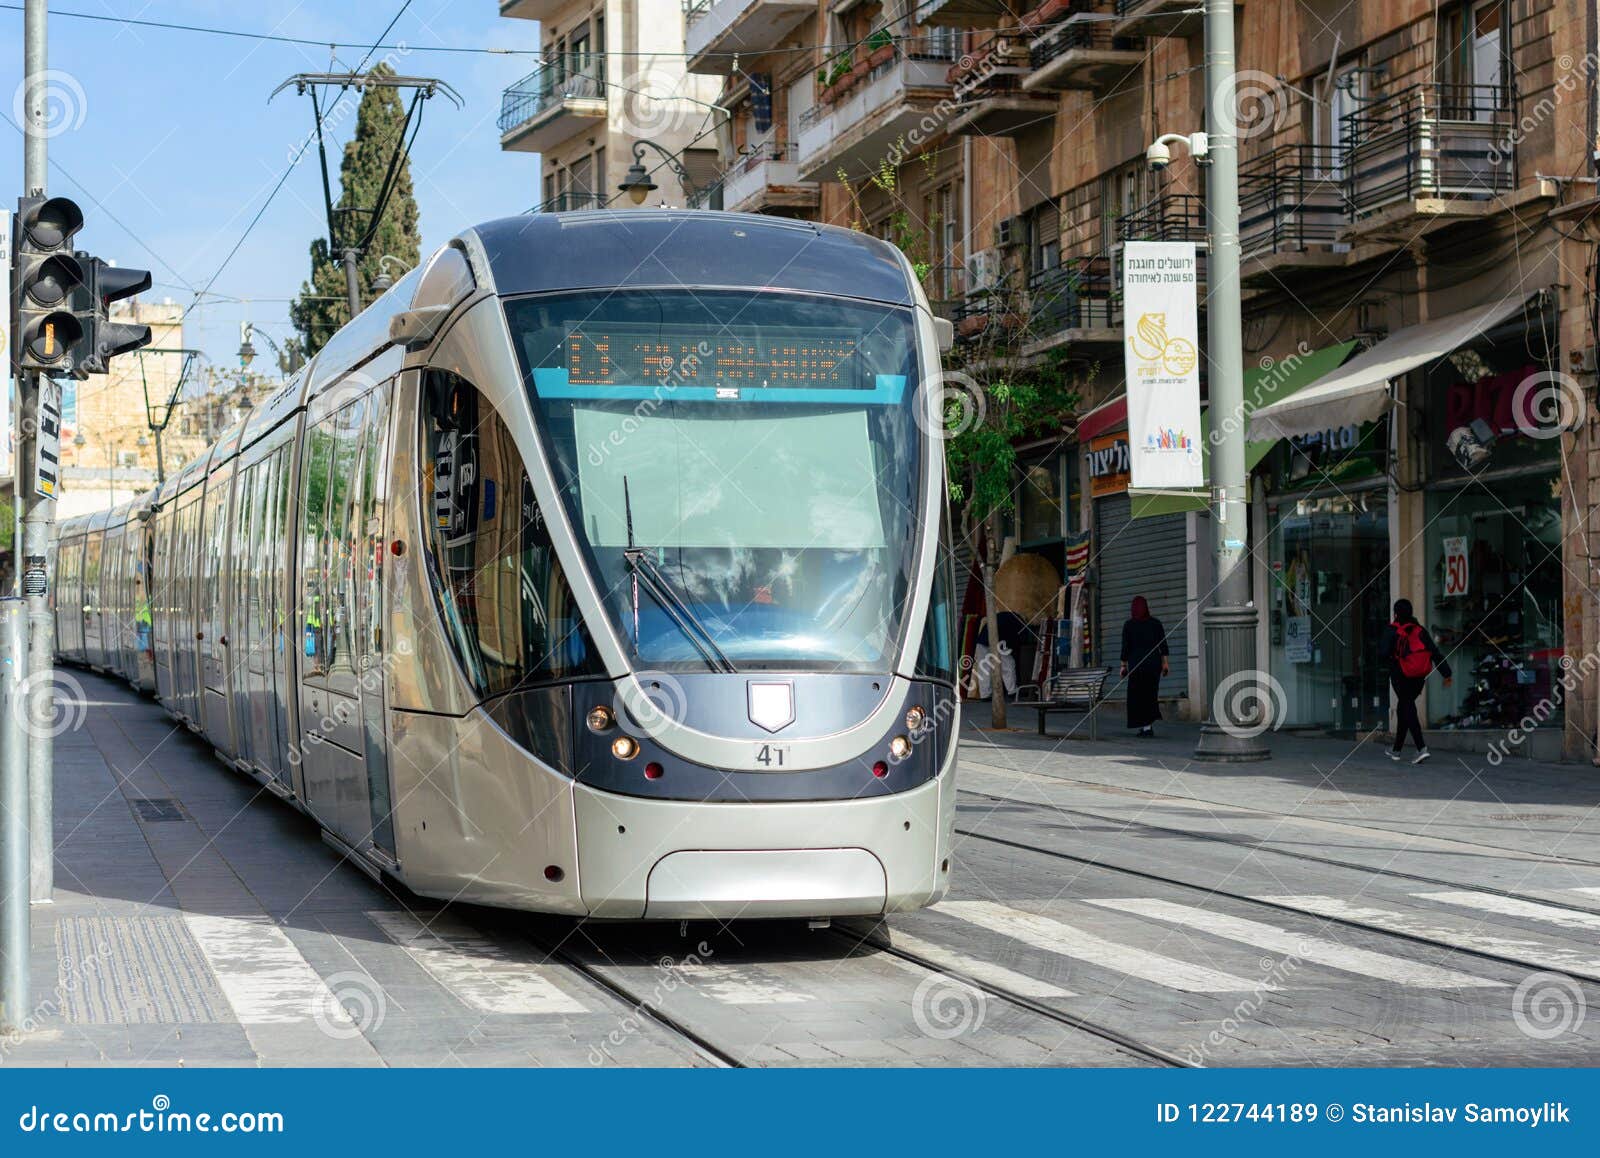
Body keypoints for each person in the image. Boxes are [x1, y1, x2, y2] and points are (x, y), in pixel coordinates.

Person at [1380, 597, 1452, 763]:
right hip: (1419, 676)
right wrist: (1446, 673)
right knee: (1403, 708)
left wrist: (1392, 661)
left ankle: (1421, 748)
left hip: (1400, 675)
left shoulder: (1392, 630)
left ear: (1395, 613)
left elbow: (1383, 653)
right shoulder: (1420, 630)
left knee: (1407, 708)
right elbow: (1435, 653)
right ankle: (1396, 750)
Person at [1120, 595, 1169, 737]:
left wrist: (1123, 666)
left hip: (1136, 666)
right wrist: (1165, 664)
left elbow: (1125, 648)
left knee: (1137, 697)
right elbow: (1163, 645)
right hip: (1154, 666)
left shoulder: (1129, 625)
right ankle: (1147, 727)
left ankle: (1145, 727)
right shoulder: (1156, 623)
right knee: (1150, 695)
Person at [973, 610, 1023, 700]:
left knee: (984, 668)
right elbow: (1012, 639)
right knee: (1008, 664)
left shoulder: (1006, 616)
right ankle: (1012, 691)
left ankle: (985, 694)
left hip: (983, 640)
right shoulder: (1017, 624)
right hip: (998, 640)